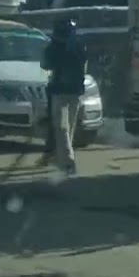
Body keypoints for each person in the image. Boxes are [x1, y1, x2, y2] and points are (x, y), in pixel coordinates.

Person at [41, 19, 87, 174]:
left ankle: (67, 162)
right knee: (69, 129)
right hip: (75, 92)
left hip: (60, 92)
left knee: (62, 128)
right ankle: (65, 158)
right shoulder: (79, 46)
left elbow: (45, 64)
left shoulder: (54, 47)